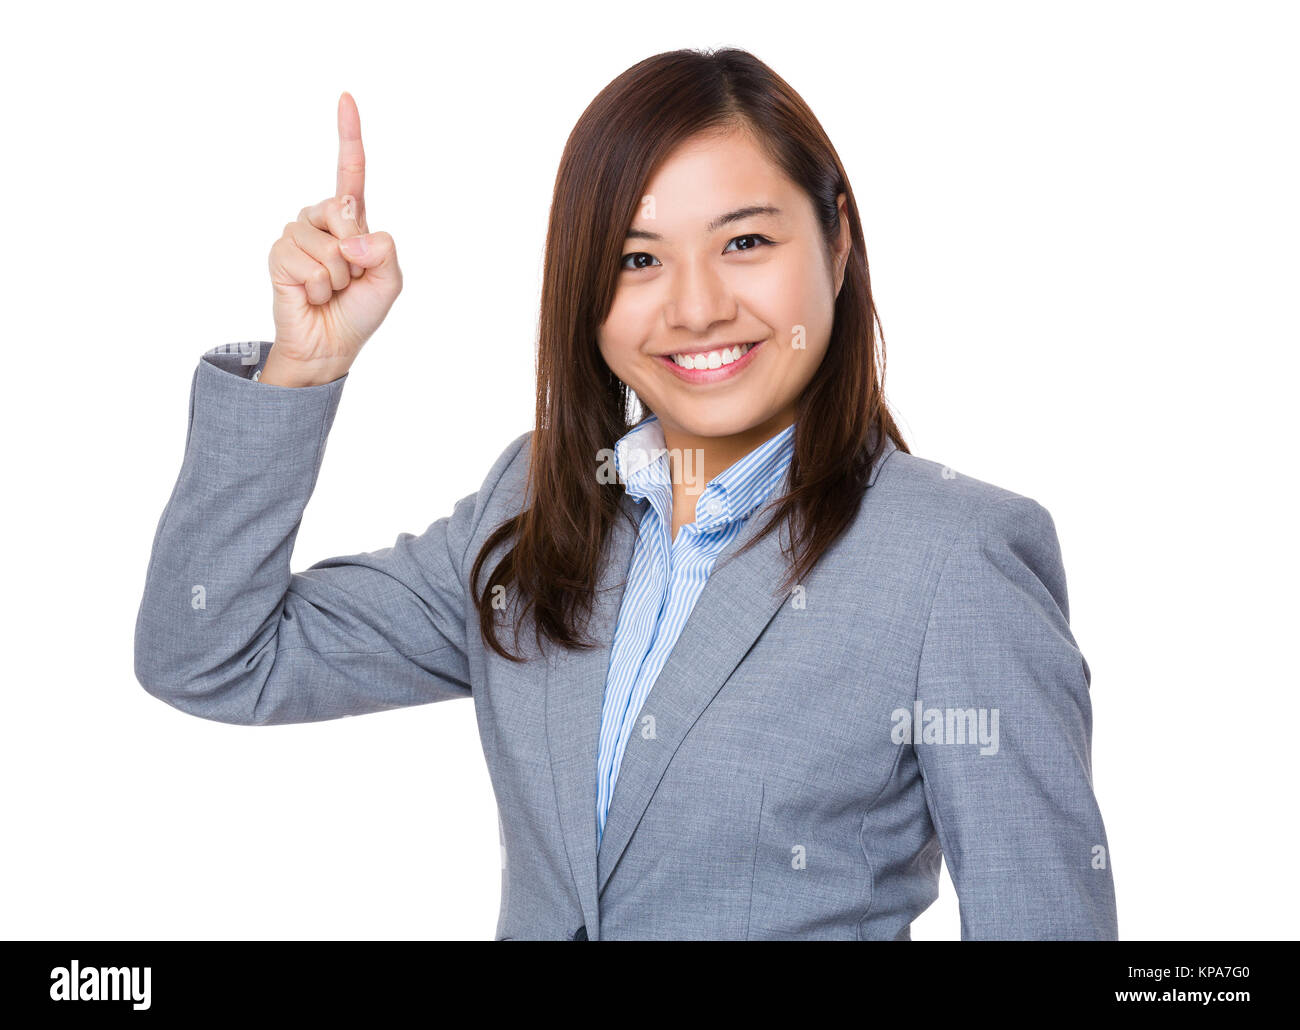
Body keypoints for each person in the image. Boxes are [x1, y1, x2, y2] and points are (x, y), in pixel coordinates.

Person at [134, 48, 1118, 940]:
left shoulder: (957, 561)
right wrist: (300, 372)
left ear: (837, 243)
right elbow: (213, 655)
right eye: (637, 259)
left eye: (744, 243)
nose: (693, 306)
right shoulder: (531, 506)